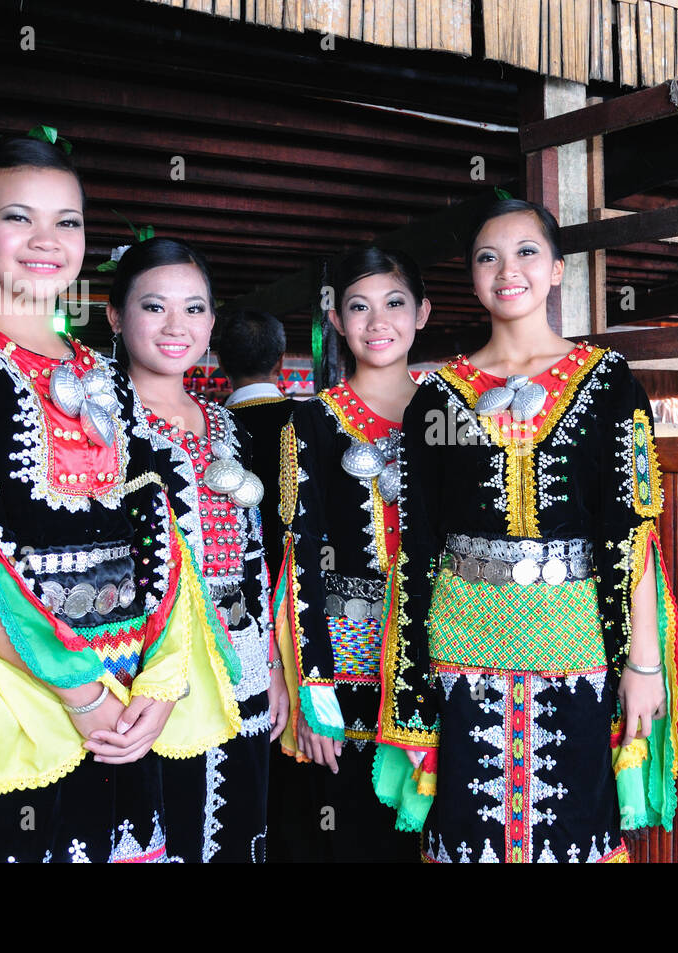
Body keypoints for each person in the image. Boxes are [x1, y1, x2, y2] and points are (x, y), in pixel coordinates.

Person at [0, 133, 243, 863]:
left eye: (68, 222)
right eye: (19, 217)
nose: (47, 242)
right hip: (19, 700)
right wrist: (77, 693)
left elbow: (163, 527)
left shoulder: (107, 374)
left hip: (123, 700)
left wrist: (165, 677)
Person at [377, 199, 678, 863]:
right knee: (466, 827)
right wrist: (410, 687)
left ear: (556, 270)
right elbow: (419, 548)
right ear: (471, 278)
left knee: (573, 828)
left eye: (526, 252)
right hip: (458, 638)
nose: (507, 270)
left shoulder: (610, 383)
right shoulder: (436, 397)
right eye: (487, 257)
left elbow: (632, 533)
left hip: (576, 636)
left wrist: (644, 664)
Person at [106, 237, 288, 862]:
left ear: (213, 321)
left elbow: (252, 557)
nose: (177, 326)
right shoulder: (99, 421)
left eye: (195, 308)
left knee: (236, 830)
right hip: (140, 673)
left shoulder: (225, 423)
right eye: (154, 307)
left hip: (240, 662)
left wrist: (273, 666)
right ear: (115, 315)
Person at [269, 247, 429, 861]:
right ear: (335, 320)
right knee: (346, 831)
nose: (376, 321)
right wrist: (310, 688)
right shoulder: (308, 423)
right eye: (357, 307)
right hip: (342, 658)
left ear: (422, 314)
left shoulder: (452, 416)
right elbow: (298, 556)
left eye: (394, 304)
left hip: (436, 656)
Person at [219, 306, 290, 586]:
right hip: (302, 584)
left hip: (235, 584)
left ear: (222, 363)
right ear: (281, 362)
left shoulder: (209, 428)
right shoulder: (314, 420)